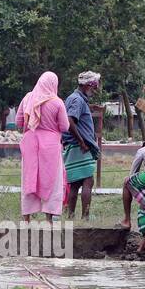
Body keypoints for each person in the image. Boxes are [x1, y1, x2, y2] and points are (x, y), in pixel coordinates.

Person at [15, 71, 67, 220]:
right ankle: (49, 219)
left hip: (30, 143)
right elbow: (64, 126)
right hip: (50, 144)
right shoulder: (57, 102)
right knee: (52, 180)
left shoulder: (27, 98)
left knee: (29, 178)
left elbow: (19, 122)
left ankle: (26, 218)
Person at [62, 71, 101, 219]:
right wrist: (81, 142)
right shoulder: (77, 100)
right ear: (88, 85)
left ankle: (70, 215)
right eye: (95, 86)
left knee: (75, 184)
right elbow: (70, 121)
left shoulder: (74, 98)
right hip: (80, 146)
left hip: (72, 146)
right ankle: (85, 216)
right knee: (88, 180)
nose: (95, 89)